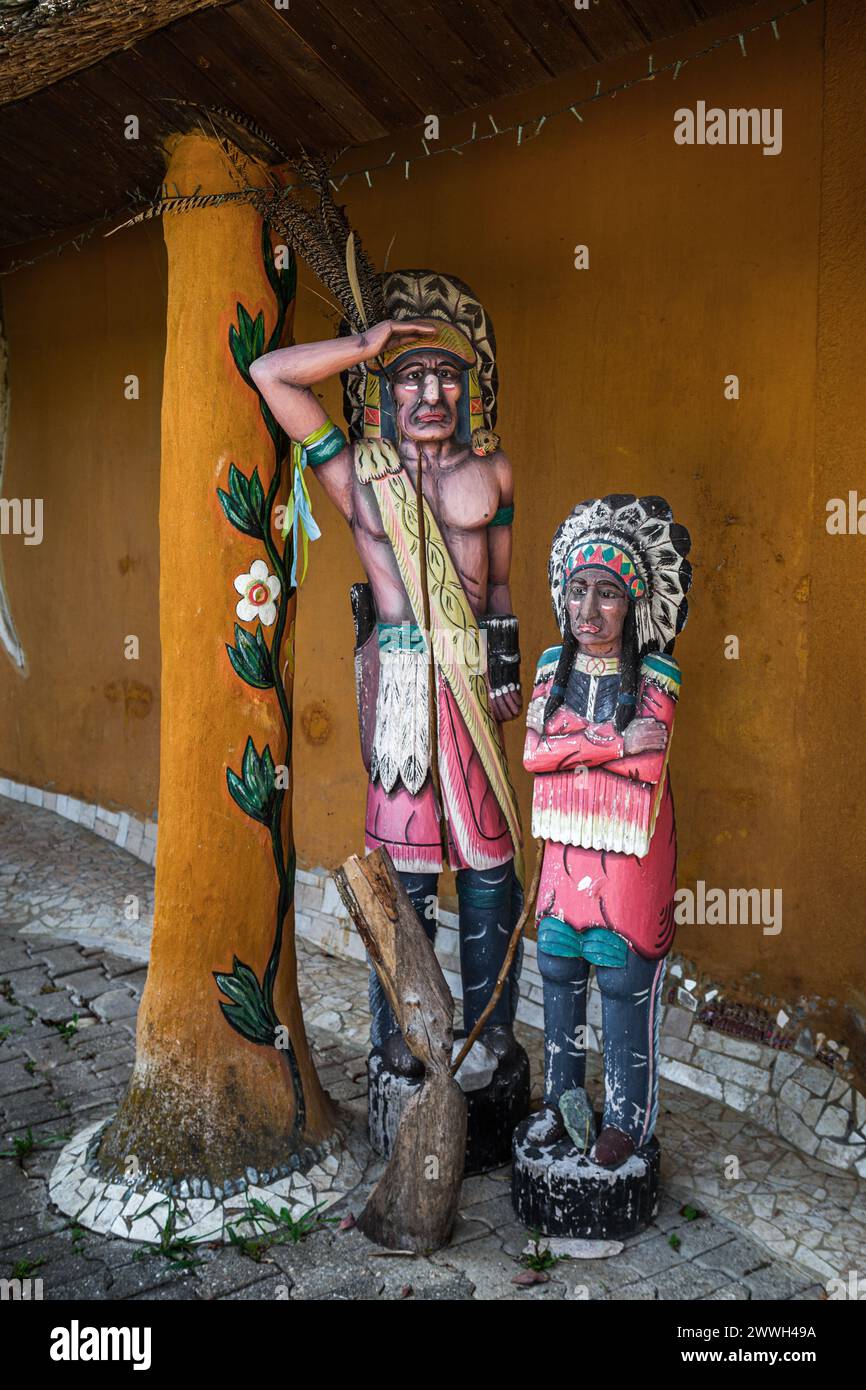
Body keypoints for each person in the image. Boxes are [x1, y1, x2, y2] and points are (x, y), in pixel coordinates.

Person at [251, 273, 524, 1076]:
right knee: (403, 874)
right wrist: (365, 346)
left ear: (472, 390)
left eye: (448, 376)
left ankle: (489, 1036)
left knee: (488, 864)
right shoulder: (360, 475)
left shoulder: (495, 474)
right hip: (404, 686)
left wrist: (504, 662)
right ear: (380, 394)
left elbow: (499, 586)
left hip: (473, 682)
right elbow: (271, 376)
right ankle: (402, 1041)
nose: (433, 393)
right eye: (411, 378)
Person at [522, 494, 692, 1168]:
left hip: (627, 862)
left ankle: (626, 1117)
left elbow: (647, 762)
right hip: (564, 854)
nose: (588, 611)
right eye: (578, 590)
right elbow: (535, 755)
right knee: (559, 966)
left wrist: (578, 744)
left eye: (608, 594)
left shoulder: (656, 676)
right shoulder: (547, 669)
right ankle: (560, 1100)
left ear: (636, 603)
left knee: (622, 981)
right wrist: (609, 740)